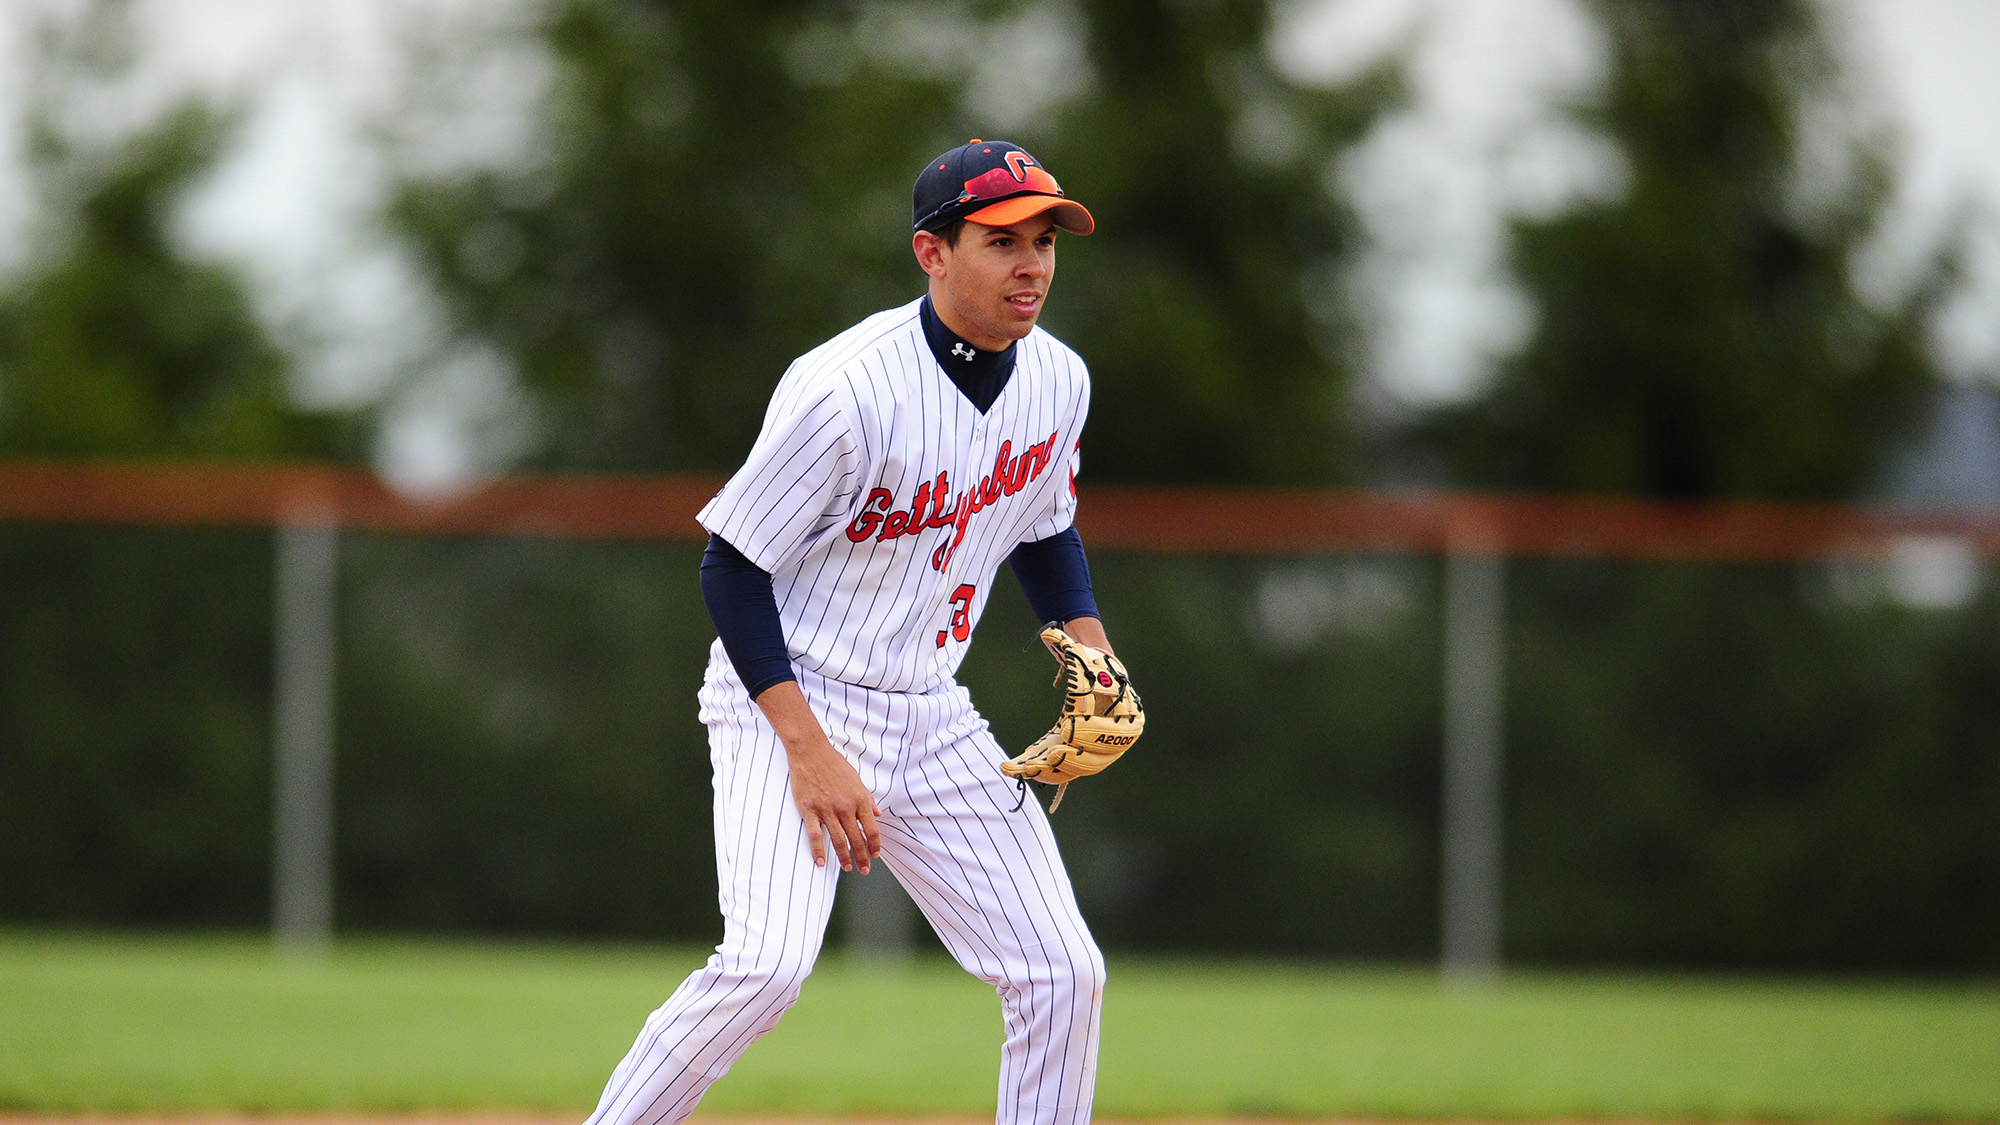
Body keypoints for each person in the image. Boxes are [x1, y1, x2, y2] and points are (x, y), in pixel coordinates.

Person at [581, 139, 1122, 1125]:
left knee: (1060, 972)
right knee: (766, 967)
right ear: (931, 252)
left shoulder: (1058, 379)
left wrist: (1092, 660)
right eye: (1002, 240)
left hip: (931, 709)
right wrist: (808, 751)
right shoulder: (844, 388)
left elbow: (1046, 531)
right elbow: (732, 565)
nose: (1032, 263)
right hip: (791, 698)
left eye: (1044, 239)